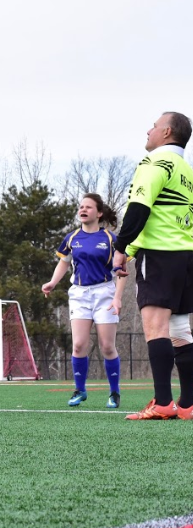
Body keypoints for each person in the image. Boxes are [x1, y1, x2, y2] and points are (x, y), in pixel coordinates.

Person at [111, 112, 193, 420]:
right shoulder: (187, 171)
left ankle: (162, 403)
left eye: (155, 126)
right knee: (181, 330)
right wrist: (132, 250)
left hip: (160, 256)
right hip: (186, 257)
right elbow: (169, 215)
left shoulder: (156, 162)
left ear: (167, 132)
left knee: (156, 327)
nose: (149, 130)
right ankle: (188, 405)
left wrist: (121, 248)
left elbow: (139, 208)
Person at [42, 193, 127, 408]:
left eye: (88, 207)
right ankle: (80, 390)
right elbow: (64, 262)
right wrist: (52, 282)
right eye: (81, 206)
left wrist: (117, 298)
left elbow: (122, 271)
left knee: (107, 346)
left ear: (99, 213)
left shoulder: (111, 239)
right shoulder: (71, 238)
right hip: (79, 294)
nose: (83, 210)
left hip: (105, 293)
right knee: (79, 345)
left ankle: (114, 393)